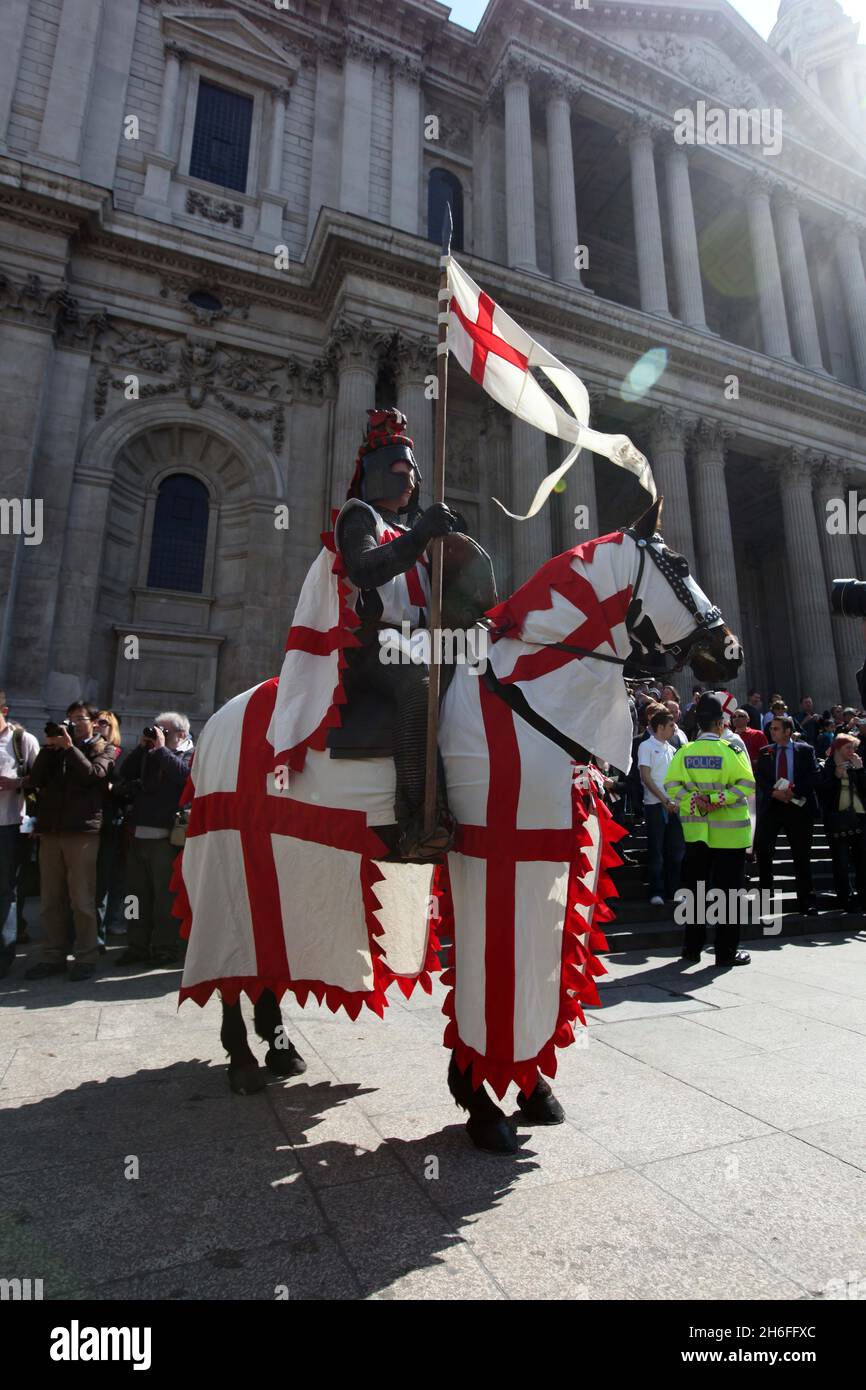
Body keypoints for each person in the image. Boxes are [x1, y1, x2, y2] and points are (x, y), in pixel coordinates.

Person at [335, 407, 458, 859]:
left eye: (413, 471)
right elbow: (365, 570)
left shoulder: (415, 532)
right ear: (376, 473)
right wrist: (418, 537)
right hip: (374, 642)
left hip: (425, 637)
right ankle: (417, 820)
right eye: (399, 469)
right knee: (417, 682)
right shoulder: (359, 516)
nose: (410, 478)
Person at [23, 703, 114, 982]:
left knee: (81, 898)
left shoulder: (104, 748)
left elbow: (93, 775)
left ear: (92, 722)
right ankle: (53, 955)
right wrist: (50, 749)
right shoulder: (55, 752)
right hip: (52, 831)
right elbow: (35, 780)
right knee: (51, 899)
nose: (72, 725)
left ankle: (86, 956)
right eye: (70, 719)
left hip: (82, 833)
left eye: (79, 719)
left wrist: (70, 748)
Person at [665, 693, 755, 968]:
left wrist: (694, 800)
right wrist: (716, 800)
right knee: (728, 896)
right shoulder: (732, 752)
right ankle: (725, 953)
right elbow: (746, 786)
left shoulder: (685, 752)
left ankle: (691, 949)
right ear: (719, 723)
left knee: (695, 893)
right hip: (730, 836)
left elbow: (671, 786)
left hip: (696, 835)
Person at [115, 712, 193, 968]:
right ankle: (135, 944)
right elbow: (125, 772)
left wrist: (161, 750)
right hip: (138, 835)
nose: (158, 735)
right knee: (134, 897)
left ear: (181, 734)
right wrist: (141, 748)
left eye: (165, 732)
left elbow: (186, 779)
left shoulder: (189, 755)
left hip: (165, 839)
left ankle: (164, 947)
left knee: (164, 898)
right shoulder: (148, 755)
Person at [754, 714, 819, 918]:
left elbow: (814, 774)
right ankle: (765, 894)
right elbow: (761, 777)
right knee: (764, 851)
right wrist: (773, 792)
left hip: (797, 807)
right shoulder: (766, 752)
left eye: (775, 728)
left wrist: (795, 791)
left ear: (788, 731)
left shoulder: (805, 750)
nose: (771, 732)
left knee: (801, 856)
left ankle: (806, 901)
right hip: (772, 807)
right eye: (771, 728)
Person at [0, 692, 39, 978]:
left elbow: (40, 780)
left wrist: (16, 783)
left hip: (11, 825)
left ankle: (3, 957)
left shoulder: (21, 741)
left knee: (6, 892)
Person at [638, 709, 685, 906]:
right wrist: (664, 800)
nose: (674, 729)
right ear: (660, 727)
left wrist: (674, 801)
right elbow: (646, 777)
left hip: (673, 806)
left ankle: (673, 890)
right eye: (671, 726)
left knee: (676, 850)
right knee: (656, 850)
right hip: (655, 805)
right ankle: (656, 891)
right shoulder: (645, 746)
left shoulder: (672, 749)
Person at [818, 733, 866, 914]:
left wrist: (860, 770)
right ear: (838, 748)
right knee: (841, 862)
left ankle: (863, 897)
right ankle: (845, 898)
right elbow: (822, 794)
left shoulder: (857, 765)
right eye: (848, 748)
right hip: (837, 821)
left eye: (853, 748)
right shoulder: (827, 766)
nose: (852, 751)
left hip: (859, 818)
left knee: (862, 861)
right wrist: (836, 777)